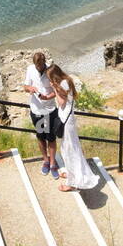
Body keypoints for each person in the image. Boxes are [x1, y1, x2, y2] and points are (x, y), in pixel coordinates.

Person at [46, 62, 100, 192]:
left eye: (50, 78)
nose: (50, 81)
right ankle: (72, 175)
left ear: (55, 76)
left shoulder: (63, 84)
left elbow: (61, 102)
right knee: (70, 148)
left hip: (67, 121)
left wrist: (54, 88)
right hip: (68, 121)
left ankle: (72, 183)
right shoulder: (66, 81)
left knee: (69, 150)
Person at [24, 52, 59, 178]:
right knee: (40, 136)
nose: (39, 68)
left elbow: (58, 90)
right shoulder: (30, 69)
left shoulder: (51, 70)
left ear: (44, 62)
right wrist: (30, 89)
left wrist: (47, 97)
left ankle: (53, 162)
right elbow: (25, 86)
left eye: (40, 65)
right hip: (37, 111)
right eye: (37, 66)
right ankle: (45, 160)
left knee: (51, 138)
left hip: (50, 110)